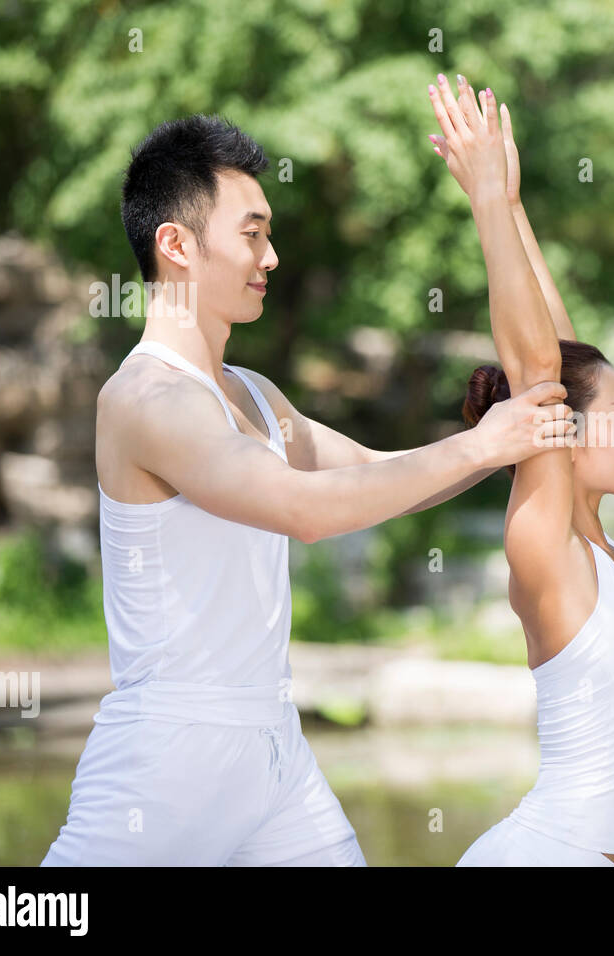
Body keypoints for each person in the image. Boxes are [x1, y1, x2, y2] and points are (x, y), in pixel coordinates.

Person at [41, 114, 575, 866]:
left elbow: (372, 476)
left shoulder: (258, 398)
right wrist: (484, 443)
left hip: (274, 753)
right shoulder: (144, 400)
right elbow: (306, 511)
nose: (272, 256)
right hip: (166, 761)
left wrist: (508, 441)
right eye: (252, 234)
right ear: (176, 245)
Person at [425, 75, 614, 867]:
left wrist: (510, 203)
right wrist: (482, 203)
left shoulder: (605, 556)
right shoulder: (546, 546)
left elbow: (564, 360)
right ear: (564, 436)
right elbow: (543, 369)